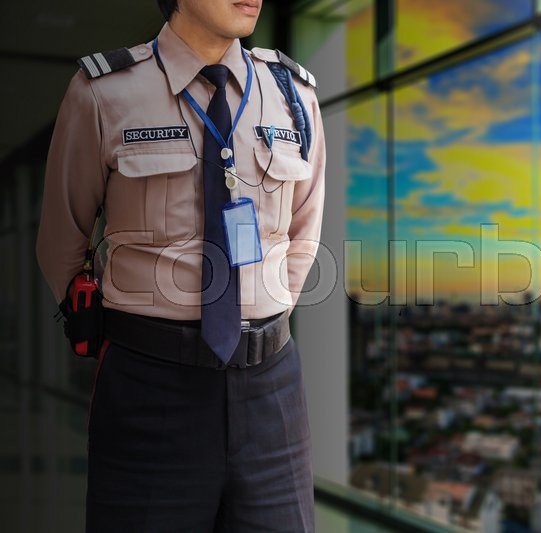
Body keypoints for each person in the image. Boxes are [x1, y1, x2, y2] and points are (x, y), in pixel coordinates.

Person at [36, 0, 325, 530]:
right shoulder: (104, 92)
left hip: (271, 389)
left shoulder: (293, 94)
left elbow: (303, 235)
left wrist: (260, 309)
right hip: (150, 389)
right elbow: (61, 241)